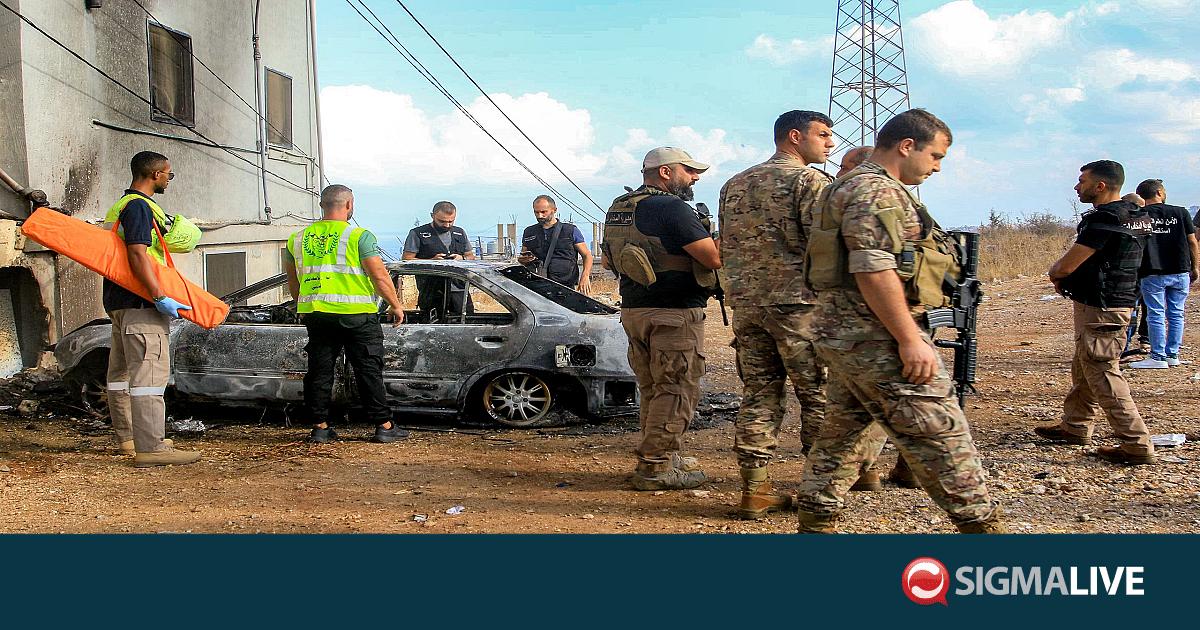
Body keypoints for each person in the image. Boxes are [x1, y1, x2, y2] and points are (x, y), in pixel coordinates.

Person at [796, 109, 1004, 533]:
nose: (937, 167)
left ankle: (816, 523)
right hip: (876, 336)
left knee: (845, 434)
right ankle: (985, 531)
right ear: (907, 146)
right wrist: (909, 338)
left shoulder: (853, 185)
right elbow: (873, 267)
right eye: (935, 156)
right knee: (941, 434)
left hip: (848, 333)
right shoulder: (875, 190)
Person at [718, 110, 834, 519]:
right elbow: (827, 246)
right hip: (800, 306)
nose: (830, 143)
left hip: (749, 306)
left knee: (759, 394)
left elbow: (725, 244)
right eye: (823, 134)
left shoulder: (735, 184)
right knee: (819, 395)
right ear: (794, 136)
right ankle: (818, 490)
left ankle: (755, 489)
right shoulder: (810, 182)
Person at [602, 147, 721, 491]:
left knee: (654, 389)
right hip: (673, 313)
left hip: (635, 310)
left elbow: (608, 261)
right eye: (689, 170)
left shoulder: (621, 207)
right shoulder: (672, 207)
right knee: (676, 389)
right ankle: (655, 467)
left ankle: (666, 456)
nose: (695, 177)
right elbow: (712, 258)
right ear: (666, 172)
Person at [1036, 161, 1155, 465]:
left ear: (1100, 186)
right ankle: (1076, 425)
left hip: (1103, 306)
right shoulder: (1135, 216)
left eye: (1082, 181)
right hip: (1113, 301)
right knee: (1085, 362)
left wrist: (1056, 275)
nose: (1077, 187)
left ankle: (1136, 443)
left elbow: (1066, 266)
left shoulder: (1104, 219)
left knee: (1102, 369)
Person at [285, 184, 408, 444]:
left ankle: (320, 427)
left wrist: (303, 306)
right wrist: (395, 305)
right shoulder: (359, 236)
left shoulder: (297, 238)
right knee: (368, 370)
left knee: (319, 371)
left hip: (317, 315)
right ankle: (383, 425)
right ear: (349, 205)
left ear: (322, 205)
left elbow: (294, 281)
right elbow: (379, 276)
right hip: (357, 315)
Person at [101, 151, 201, 467]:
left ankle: (129, 438)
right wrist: (159, 296)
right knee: (149, 378)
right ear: (156, 174)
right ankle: (151, 448)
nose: (169, 180)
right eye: (169, 174)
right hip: (142, 303)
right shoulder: (140, 207)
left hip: (119, 301)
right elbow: (138, 253)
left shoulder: (119, 206)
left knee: (120, 375)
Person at [1127, 179, 1199, 369]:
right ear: (1159, 192)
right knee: (1176, 313)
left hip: (1152, 271)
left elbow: (1135, 245)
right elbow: (1192, 242)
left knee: (1155, 313)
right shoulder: (1181, 212)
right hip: (1180, 270)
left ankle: (1158, 356)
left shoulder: (1139, 215)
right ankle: (1172, 354)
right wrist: (1195, 267)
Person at [402, 202, 476, 321]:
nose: (447, 225)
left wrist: (462, 259)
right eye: (442, 221)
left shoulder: (460, 233)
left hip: (459, 291)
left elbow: (471, 256)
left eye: (451, 221)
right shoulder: (417, 233)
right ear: (432, 216)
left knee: (467, 323)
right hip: (431, 291)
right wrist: (431, 261)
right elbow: (407, 259)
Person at [517, 195, 594, 294]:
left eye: (543, 212)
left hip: (565, 287)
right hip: (536, 287)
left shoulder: (570, 230)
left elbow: (587, 255)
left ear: (554, 210)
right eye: (536, 212)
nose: (539, 216)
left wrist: (585, 276)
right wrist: (522, 260)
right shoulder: (529, 232)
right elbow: (523, 256)